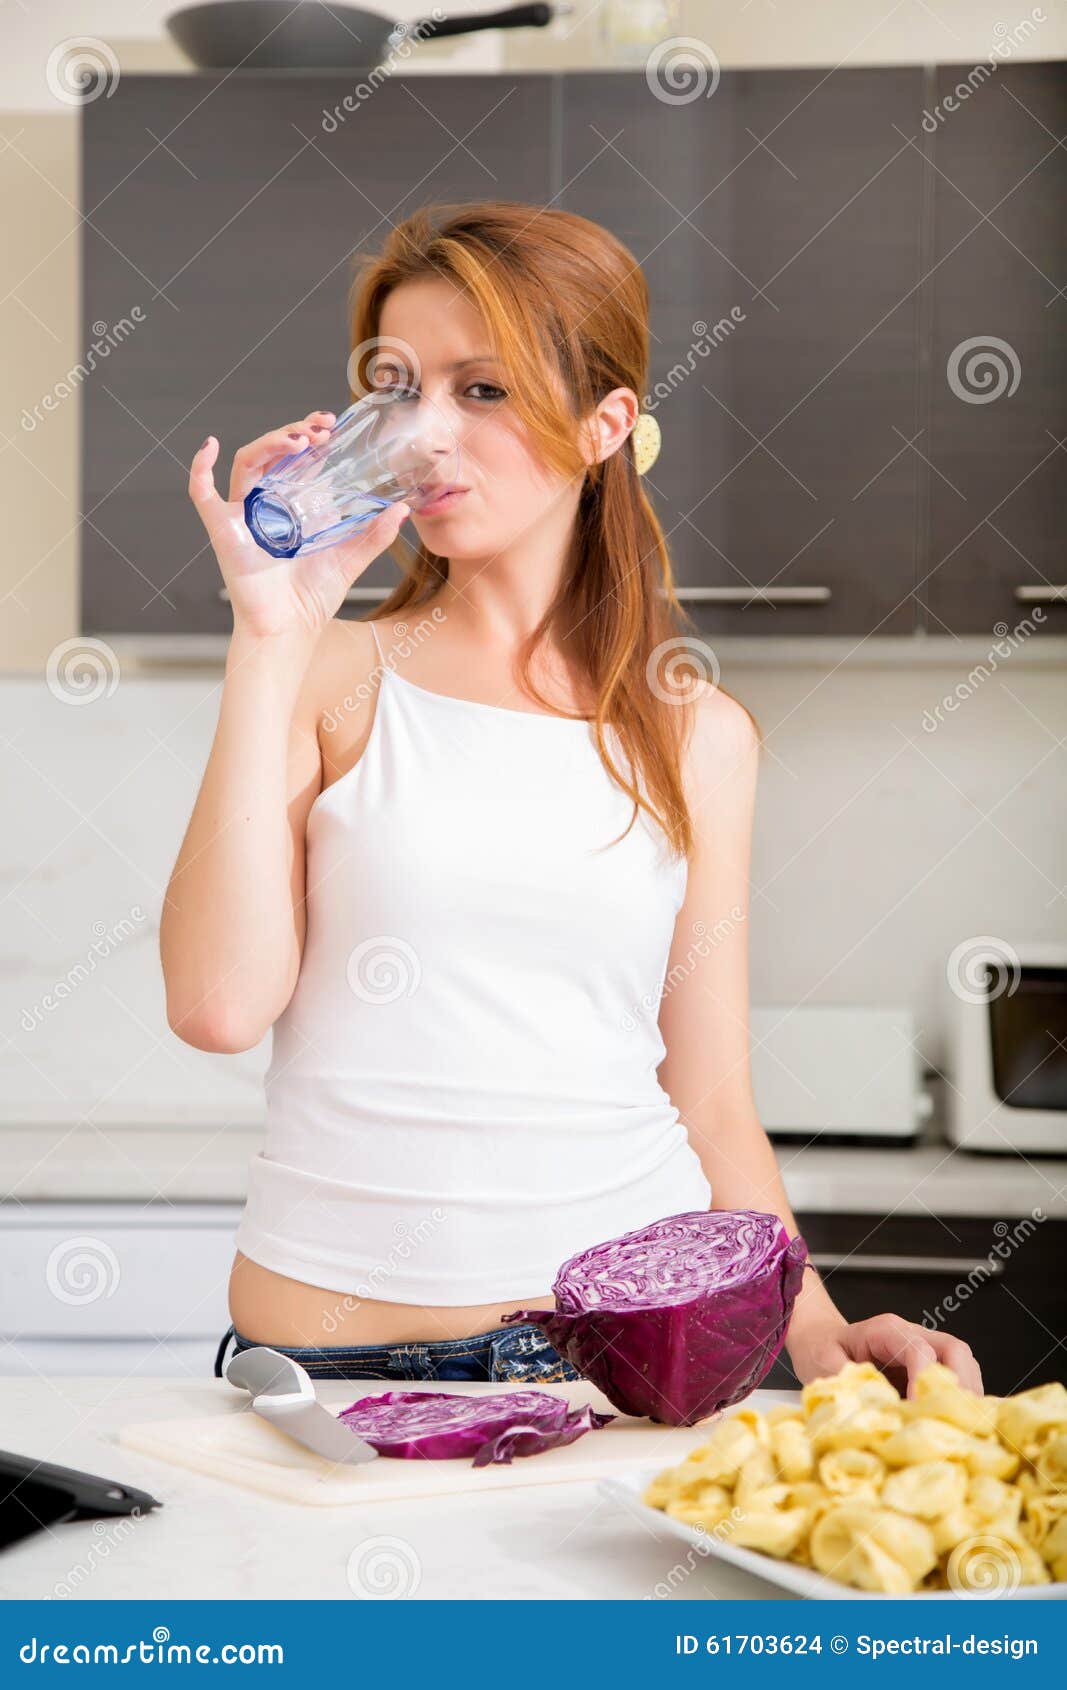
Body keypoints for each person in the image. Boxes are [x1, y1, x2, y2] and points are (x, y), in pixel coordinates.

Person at [161, 200, 982, 1399]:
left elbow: (704, 1094)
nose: (427, 434)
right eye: (397, 386)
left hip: (610, 1379)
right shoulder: (324, 673)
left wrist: (816, 1335)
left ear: (604, 426)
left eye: (482, 390)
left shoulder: (695, 733)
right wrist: (265, 637)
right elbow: (220, 1005)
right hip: (319, 1380)